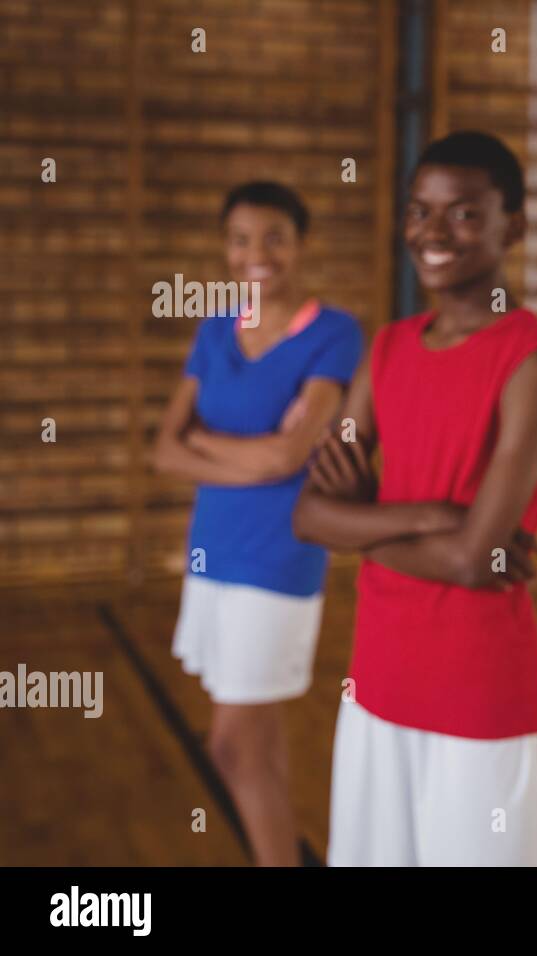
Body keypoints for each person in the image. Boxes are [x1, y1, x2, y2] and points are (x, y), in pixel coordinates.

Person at [294, 131, 537, 866]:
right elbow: (309, 514)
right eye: (421, 212)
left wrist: (371, 525)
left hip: (477, 688)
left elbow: (475, 560)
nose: (433, 233)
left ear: (511, 226)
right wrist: (432, 516)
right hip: (377, 678)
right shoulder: (387, 347)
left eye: (462, 214)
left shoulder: (536, 361)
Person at [153, 181, 364, 866]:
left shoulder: (334, 332)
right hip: (211, 555)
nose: (257, 253)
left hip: (277, 560)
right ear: (226, 247)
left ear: (300, 244)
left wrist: (206, 440)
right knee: (258, 740)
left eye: (274, 236)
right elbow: (162, 446)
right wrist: (248, 453)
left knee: (231, 744)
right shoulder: (213, 328)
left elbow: (291, 454)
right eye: (241, 238)